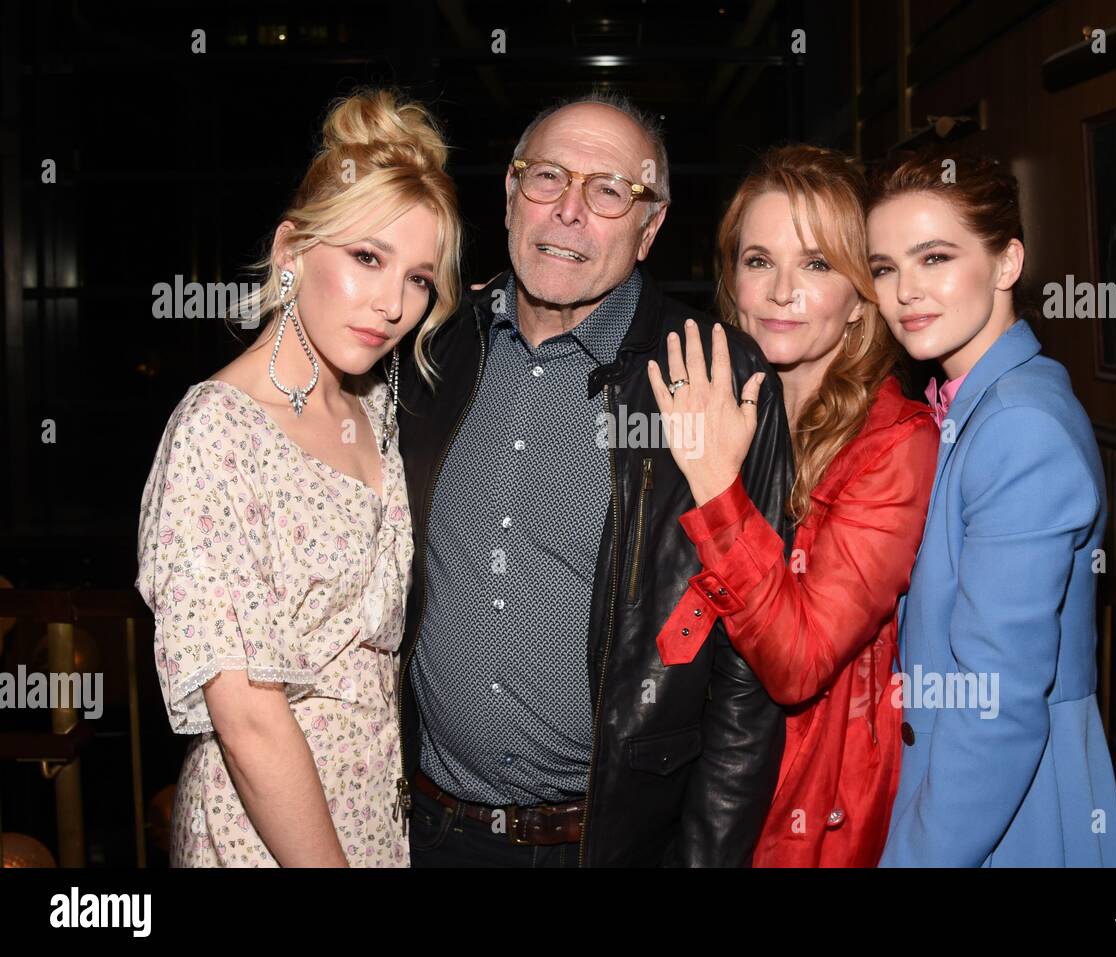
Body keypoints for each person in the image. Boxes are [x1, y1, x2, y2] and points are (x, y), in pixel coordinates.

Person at [394, 91, 792, 867]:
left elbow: (748, 680)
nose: (569, 211)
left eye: (610, 190)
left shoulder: (720, 376)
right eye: (547, 177)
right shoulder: (429, 354)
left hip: (609, 846)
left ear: (650, 228)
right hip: (428, 832)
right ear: (511, 197)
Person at [135, 88, 461, 867]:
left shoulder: (377, 409)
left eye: (419, 279)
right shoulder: (217, 431)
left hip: (379, 817)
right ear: (291, 254)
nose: (391, 304)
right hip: (269, 837)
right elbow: (246, 719)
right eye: (366, 258)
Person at [648, 144, 937, 866]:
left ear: (858, 297)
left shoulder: (896, 442)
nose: (782, 291)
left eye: (816, 265)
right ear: (732, 281)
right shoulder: (713, 403)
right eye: (758, 260)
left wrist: (715, 487)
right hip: (691, 792)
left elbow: (799, 660)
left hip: (807, 810)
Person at [865, 149, 1116, 866]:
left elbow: (998, 707)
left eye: (936, 257)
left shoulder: (1019, 426)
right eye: (885, 267)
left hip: (1010, 810)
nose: (905, 293)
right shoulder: (970, 400)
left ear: (1008, 262)